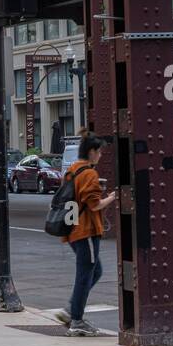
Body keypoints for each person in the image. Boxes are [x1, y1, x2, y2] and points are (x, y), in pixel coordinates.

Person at [56, 133, 117, 335]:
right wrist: (112, 197)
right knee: (85, 275)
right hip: (87, 232)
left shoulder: (72, 170)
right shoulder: (89, 174)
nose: (100, 156)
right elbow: (95, 204)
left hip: (73, 230)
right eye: (99, 152)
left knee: (95, 271)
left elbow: (72, 202)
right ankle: (77, 320)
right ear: (91, 152)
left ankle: (71, 309)